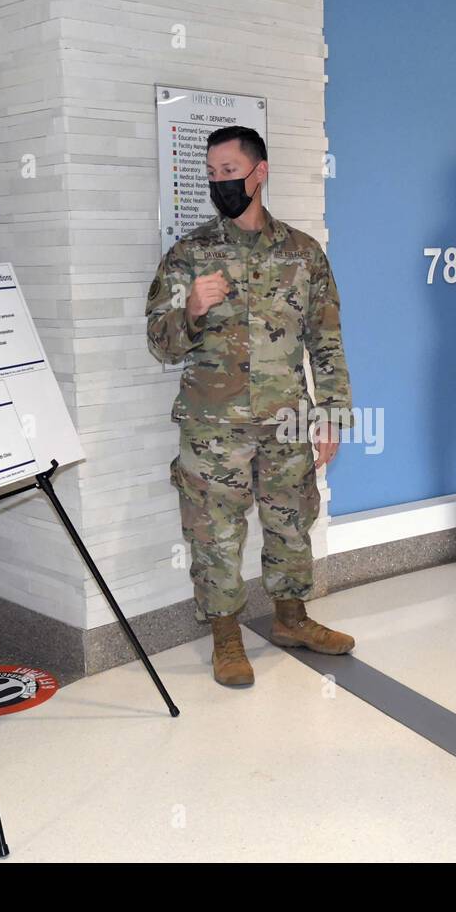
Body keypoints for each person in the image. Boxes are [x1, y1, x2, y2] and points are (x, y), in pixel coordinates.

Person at [145, 126, 355, 687]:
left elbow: (326, 340)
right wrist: (190, 307)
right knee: (215, 532)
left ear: (259, 173)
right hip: (213, 428)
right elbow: (159, 343)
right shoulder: (189, 255)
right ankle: (226, 638)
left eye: (230, 172)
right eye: (212, 174)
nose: (220, 183)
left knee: (291, 524)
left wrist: (332, 412)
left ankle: (291, 619)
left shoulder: (304, 254)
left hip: (287, 419)